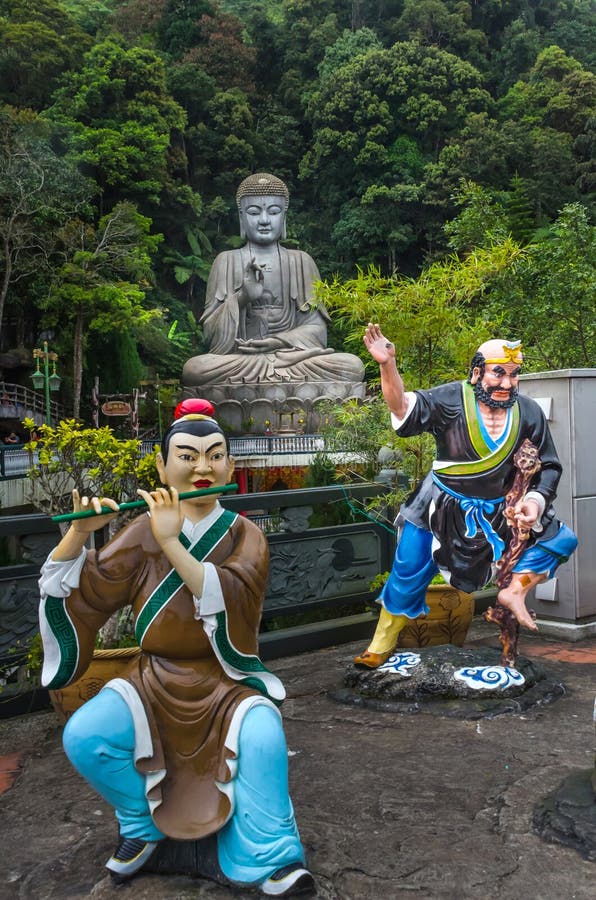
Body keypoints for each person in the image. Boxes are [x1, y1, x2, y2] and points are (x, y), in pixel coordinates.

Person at [38, 400, 314, 896]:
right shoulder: (143, 530)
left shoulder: (246, 535)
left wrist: (171, 543)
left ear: (230, 465)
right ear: (162, 467)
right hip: (152, 679)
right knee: (85, 735)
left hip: (225, 681)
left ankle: (266, 854)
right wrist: (78, 535)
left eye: (215, 455)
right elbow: (89, 593)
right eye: (187, 456)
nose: (202, 467)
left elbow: (229, 596)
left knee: (263, 738)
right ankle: (143, 826)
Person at [354, 324, 578, 668]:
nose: (507, 384)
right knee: (408, 568)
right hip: (437, 505)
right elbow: (402, 408)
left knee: (561, 540)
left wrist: (534, 501)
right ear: (477, 372)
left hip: (500, 510)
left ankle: (514, 592)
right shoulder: (449, 399)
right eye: (498, 373)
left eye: (514, 375)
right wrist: (388, 365)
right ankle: (381, 644)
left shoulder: (529, 412)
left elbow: (549, 466)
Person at [182, 172, 364, 389]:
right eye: (254, 212)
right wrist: (242, 297)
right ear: (241, 217)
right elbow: (210, 336)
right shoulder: (226, 261)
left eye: (274, 211)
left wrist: (277, 342)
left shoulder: (301, 261)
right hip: (242, 359)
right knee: (195, 370)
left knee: (352, 366)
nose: (264, 220)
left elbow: (318, 331)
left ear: (284, 216)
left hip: (291, 359)